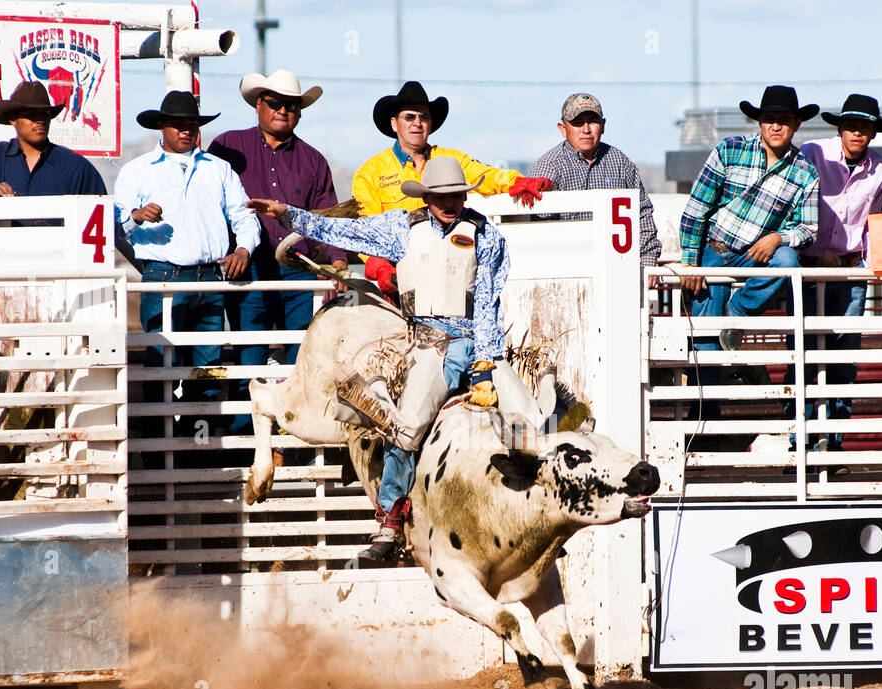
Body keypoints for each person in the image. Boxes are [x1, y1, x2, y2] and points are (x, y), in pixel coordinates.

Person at [248, 156, 508, 565]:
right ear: (428, 197)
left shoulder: (485, 234)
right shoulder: (402, 228)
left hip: (472, 341)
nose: (450, 203)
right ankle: (390, 518)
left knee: (529, 418)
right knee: (406, 429)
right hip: (426, 344)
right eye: (442, 197)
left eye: (456, 195)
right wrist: (289, 215)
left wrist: (488, 363)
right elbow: (343, 229)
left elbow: (490, 302)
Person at [208, 70, 349, 436]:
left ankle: (296, 436)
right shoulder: (227, 147)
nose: (283, 110)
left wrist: (336, 262)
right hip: (247, 265)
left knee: (303, 356)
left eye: (291, 105)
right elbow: (210, 202)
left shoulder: (313, 161)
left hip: (298, 269)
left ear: (300, 113)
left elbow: (325, 217)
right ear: (259, 105)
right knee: (248, 353)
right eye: (275, 103)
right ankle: (244, 436)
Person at [113, 90, 260, 437]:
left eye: (191, 124)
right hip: (162, 274)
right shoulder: (137, 171)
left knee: (206, 368)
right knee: (160, 367)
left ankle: (196, 449)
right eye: (178, 124)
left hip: (210, 276)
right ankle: (155, 451)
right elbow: (115, 223)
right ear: (161, 127)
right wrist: (135, 217)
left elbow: (244, 216)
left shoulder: (218, 169)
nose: (186, 130)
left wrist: (244, 250)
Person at [352, 81, 546, 298]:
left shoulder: (451, 160)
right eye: (409, 117)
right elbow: (366, 227)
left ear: (430, 124)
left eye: (423, 117)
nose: (417, 123)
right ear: (394, 123)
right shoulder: (369, 173)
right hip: (401, 275)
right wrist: (379, 266)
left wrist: (516, 182)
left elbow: (484, 173)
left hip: (451, 270)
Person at [679, 85, 819, 361]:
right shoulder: (730, 150)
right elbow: (697, 208)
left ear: (797, 124)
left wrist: (779, 238)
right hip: (715, 248)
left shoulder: (806, 172)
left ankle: (737, 313)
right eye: (769, 119)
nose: (776, 126)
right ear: (760, 122)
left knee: (787, 260)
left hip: (756, 253)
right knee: (706, 336)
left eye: (784, 120)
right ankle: (706, 403)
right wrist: (689, 261)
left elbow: (808, 228)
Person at [790, 94, 882, 459]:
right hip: (808, 265)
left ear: (873, 132)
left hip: (850, 270)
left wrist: (869, 266)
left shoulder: (880, 171)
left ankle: (833, 447)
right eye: (852, 125)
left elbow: (872, 225)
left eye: (865, 127)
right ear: (840, 128)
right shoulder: (812, 153)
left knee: (844, 357)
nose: (858, 133)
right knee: (801, 353)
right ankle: (799, 445)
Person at [529, 92, 660, 269]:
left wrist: (648, 262)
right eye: (577, 123)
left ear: (603, 125)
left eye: (592, 121)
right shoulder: (549, 167)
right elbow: (540, 229)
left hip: (618, 265)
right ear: (562, 128)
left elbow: (642, 212)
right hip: (567, 266)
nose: (586, 129)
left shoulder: (621, 163)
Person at [0, 81, 106, 199]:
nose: (40, 120)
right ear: (13, 118)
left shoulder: (76, 166)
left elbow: (100, 211)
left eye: (45, 114)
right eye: (31, 114)